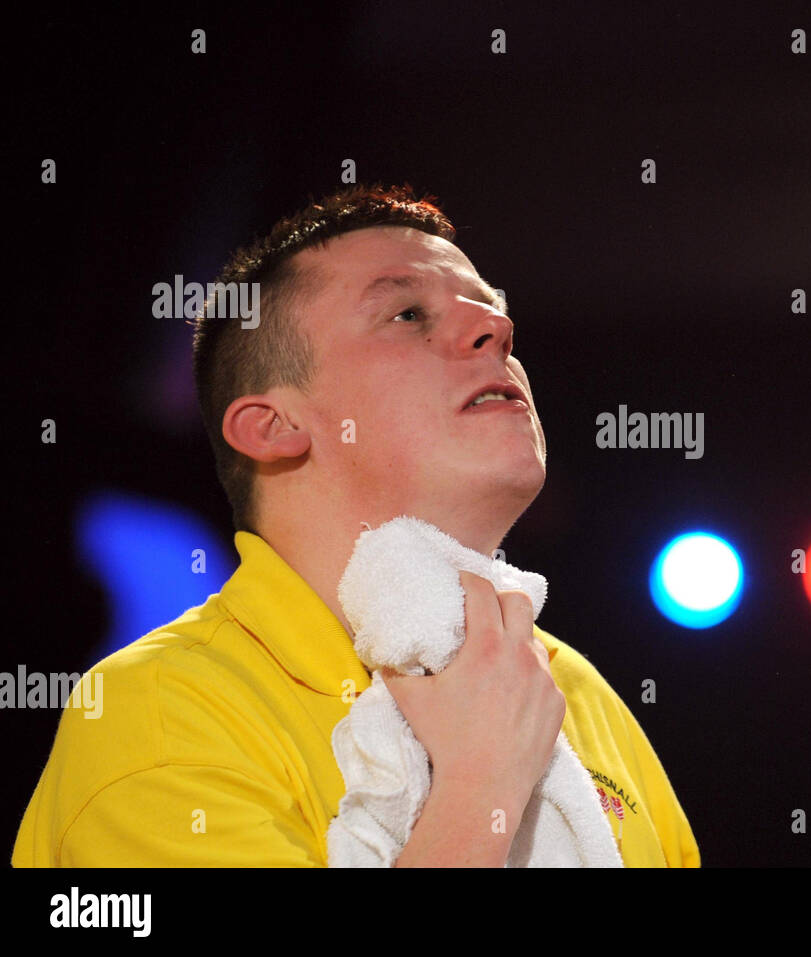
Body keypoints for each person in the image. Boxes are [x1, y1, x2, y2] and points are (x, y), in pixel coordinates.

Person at [12, 184, 699, 867]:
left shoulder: (573, 692)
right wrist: (483, 780)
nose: (496, 330)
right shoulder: (160, 711)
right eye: (406, 312)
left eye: (493, 312)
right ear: (273, 426)